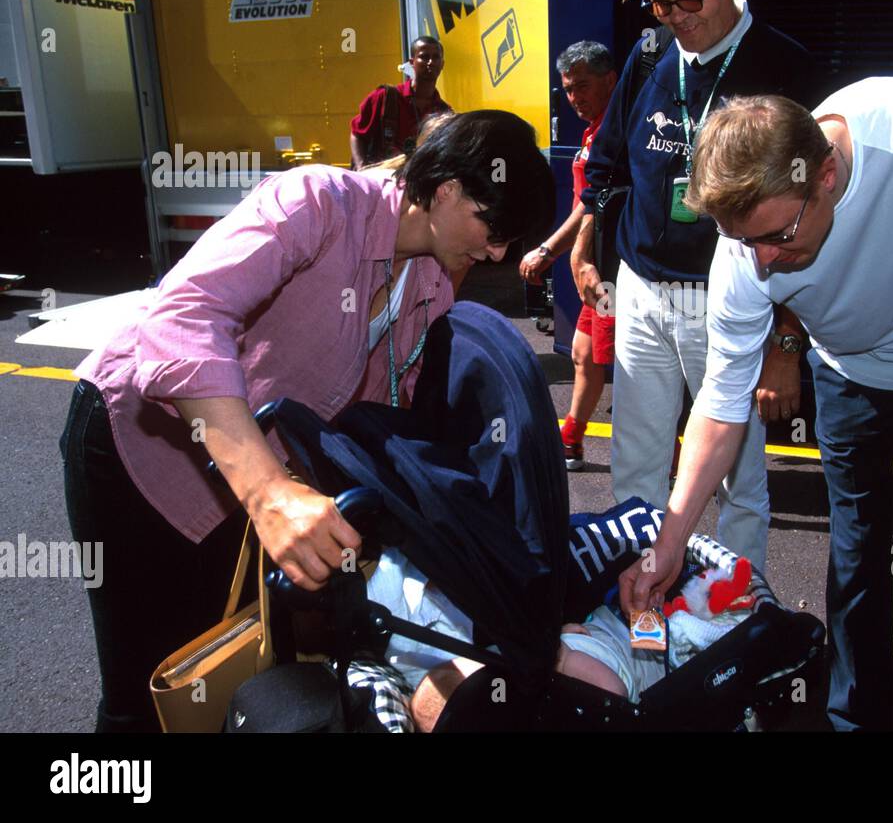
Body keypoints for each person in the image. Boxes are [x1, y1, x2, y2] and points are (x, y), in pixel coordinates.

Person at [61, 111, 554, 732]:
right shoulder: (317, 203)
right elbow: (180, 319)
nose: (497, 251)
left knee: (211, 679)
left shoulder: (431, 284)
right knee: (144, 690)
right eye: (493, 227)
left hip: (240, 481)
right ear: (448, 187)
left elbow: (379, 425)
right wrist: (267, 492)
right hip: (137, 450)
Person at [620, 81, 893, 732]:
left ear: (828, 175)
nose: (765, 260)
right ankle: (856, 718)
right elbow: (722, 408)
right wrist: (669, 542)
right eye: (745, 241)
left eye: (777, 235)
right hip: (851, 371)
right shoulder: (746, 253)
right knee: (859, 551)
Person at [571, 0, 820, 571]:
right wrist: (584, 238)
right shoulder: (651, 54)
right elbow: (607, 160)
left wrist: (787, 342)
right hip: (644, 295)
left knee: (740, 484)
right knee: (637, 473)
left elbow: (816, 218)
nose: (675, 16)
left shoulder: (783, 65)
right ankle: (641, 611)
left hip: (731, 307)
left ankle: (735, 617)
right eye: (657, 3)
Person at [518, 41, 619, 470]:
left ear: (610, 81)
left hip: (610, 269)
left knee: (628, 367)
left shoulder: (618, 129)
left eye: (583, 86)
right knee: (583, 353)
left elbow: (588, 205)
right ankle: (571, 439)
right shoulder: (595, 128)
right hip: (591, 269)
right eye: (568, 90)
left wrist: (548, 249)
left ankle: (667, 454)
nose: (574, 98)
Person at [350, 36, 453, 169]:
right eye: (424, 57)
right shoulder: (385, 97)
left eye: (436, 57)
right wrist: (361, 168)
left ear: (442, 64)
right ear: (412, 62)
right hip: (380, 181)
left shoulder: (444, 112)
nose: (431, 62)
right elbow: (357, 134)